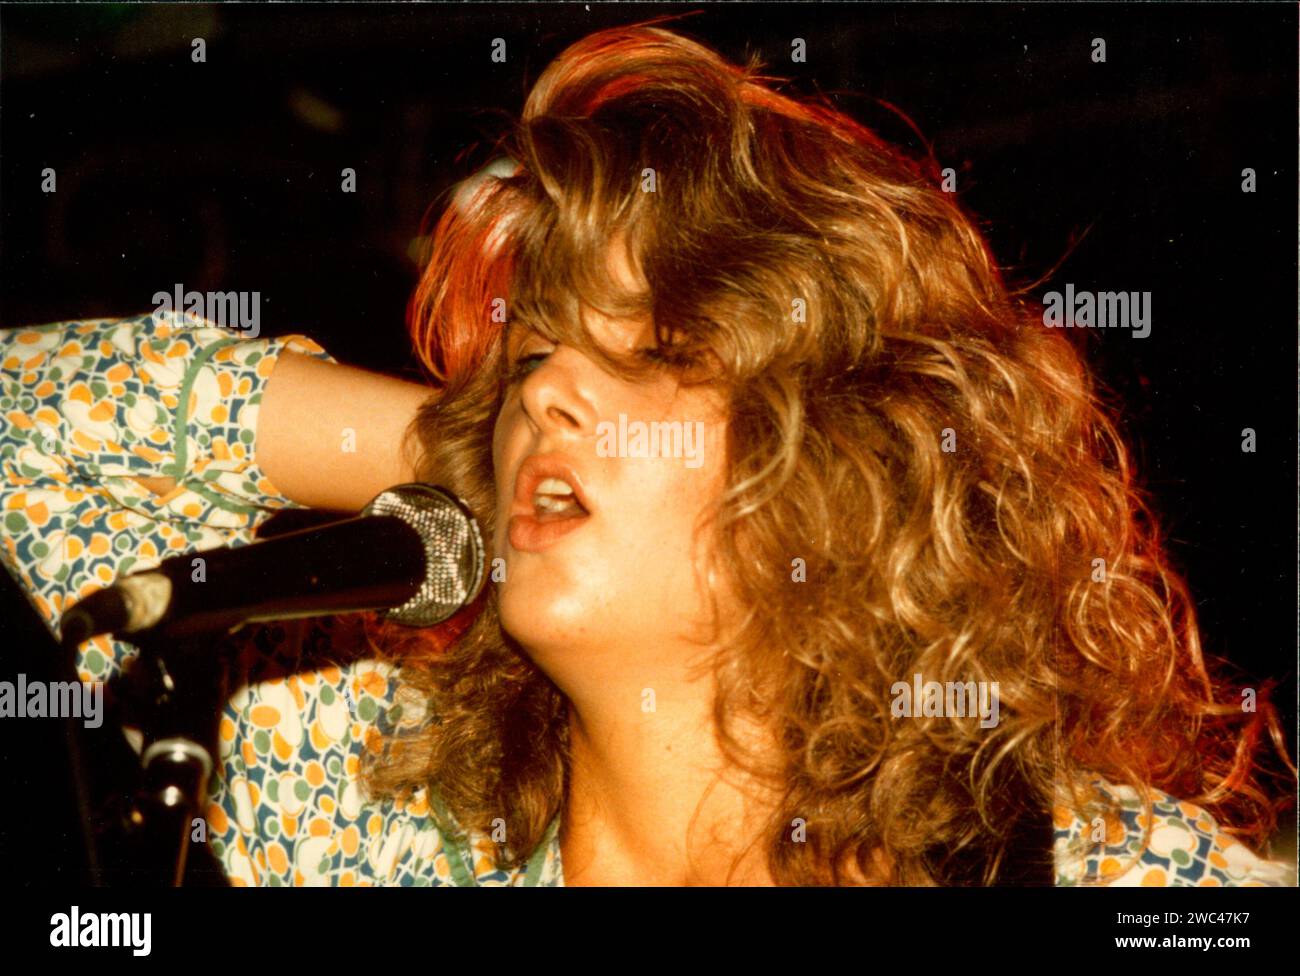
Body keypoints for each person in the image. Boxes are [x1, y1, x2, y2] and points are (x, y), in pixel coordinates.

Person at [1, 22, 1293, 886]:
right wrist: (468, 451)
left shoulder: (1096, 872)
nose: (554, 380)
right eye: (538, 348)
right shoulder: (365, 803)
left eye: (658, 347)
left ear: (846, 464)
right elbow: (32, 422)